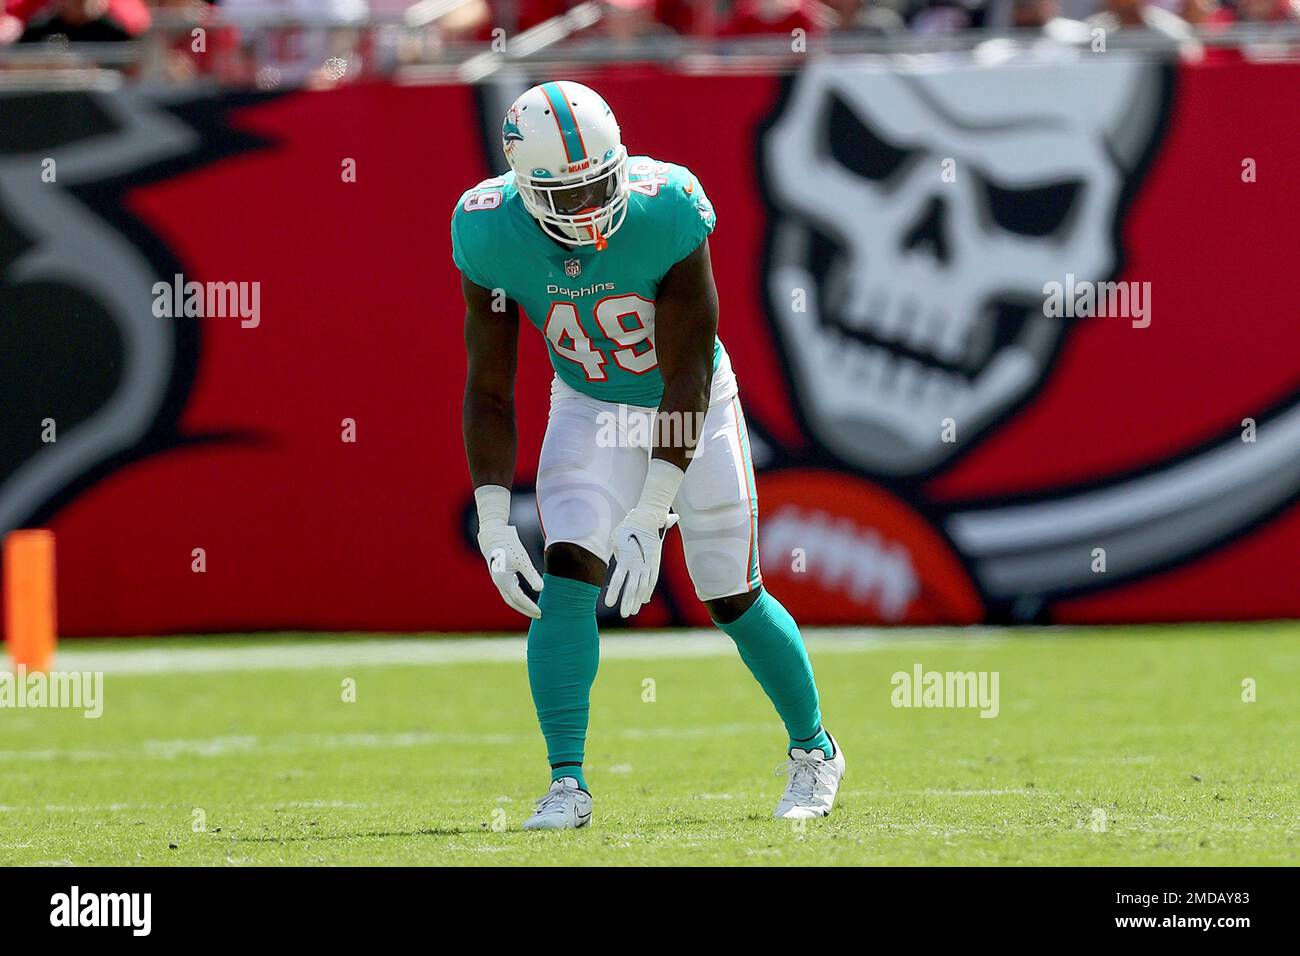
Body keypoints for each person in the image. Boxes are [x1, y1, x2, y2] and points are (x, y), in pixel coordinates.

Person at [451, 81, 844, 831]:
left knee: (730, 593)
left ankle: (815, 751)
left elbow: (691, 368)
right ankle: (567, 784)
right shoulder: (487, 230)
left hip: (688, 399)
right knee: (569, 570)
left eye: (600, 183)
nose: (591, 206)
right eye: (568, 196)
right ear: (526, 192)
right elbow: (491, 388)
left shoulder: (667, 206)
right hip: (590, 402)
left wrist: (652, 509)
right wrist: (495, 520)